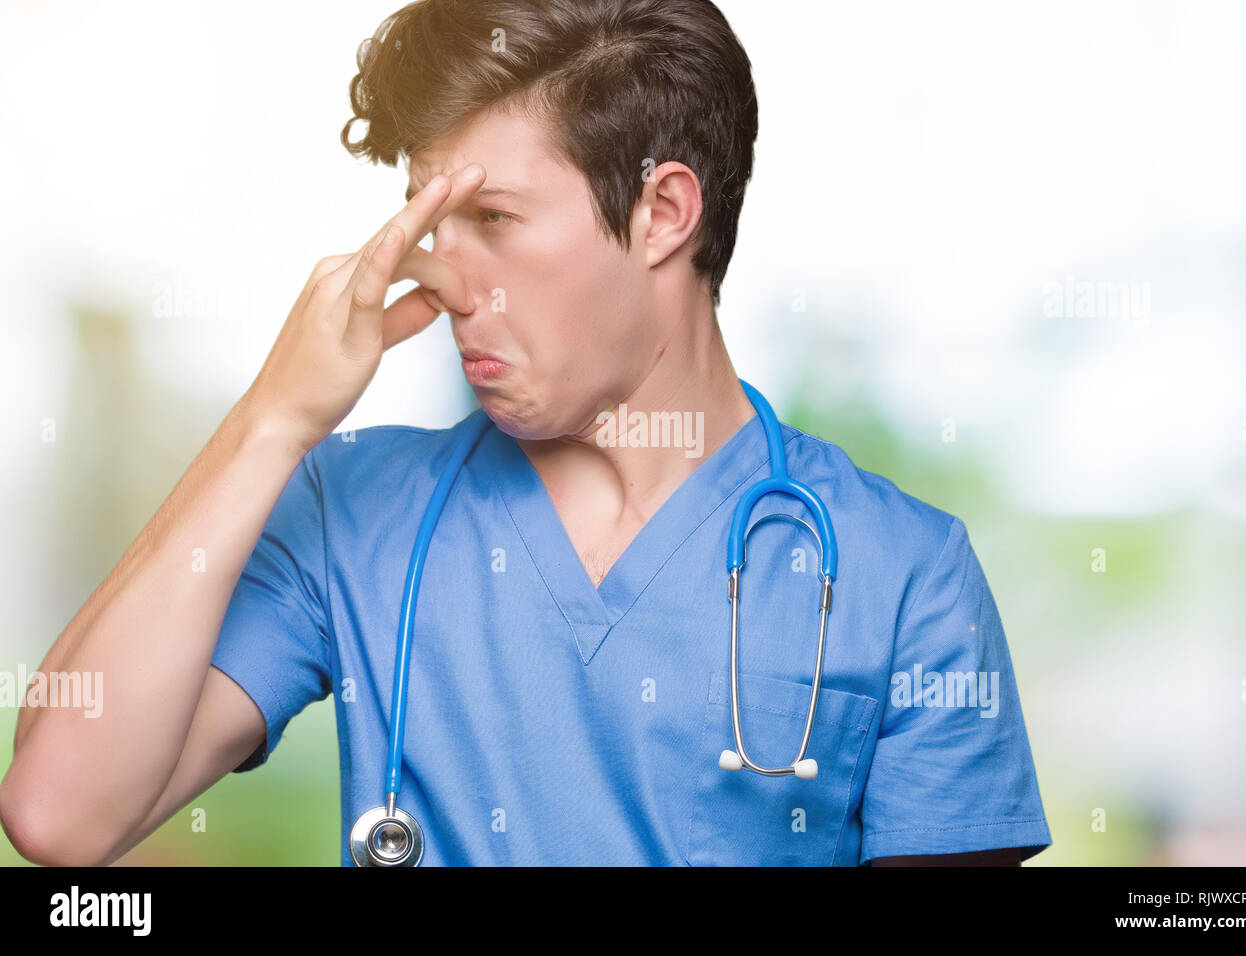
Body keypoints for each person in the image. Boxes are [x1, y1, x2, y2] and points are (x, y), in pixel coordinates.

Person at [0, 0, 1051, 867]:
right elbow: (59, 815)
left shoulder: (907, 573)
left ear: (663, 212)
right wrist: (272, 418)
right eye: (425, 222)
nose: (441, 275)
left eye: (492, 220)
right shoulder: (351, 510)